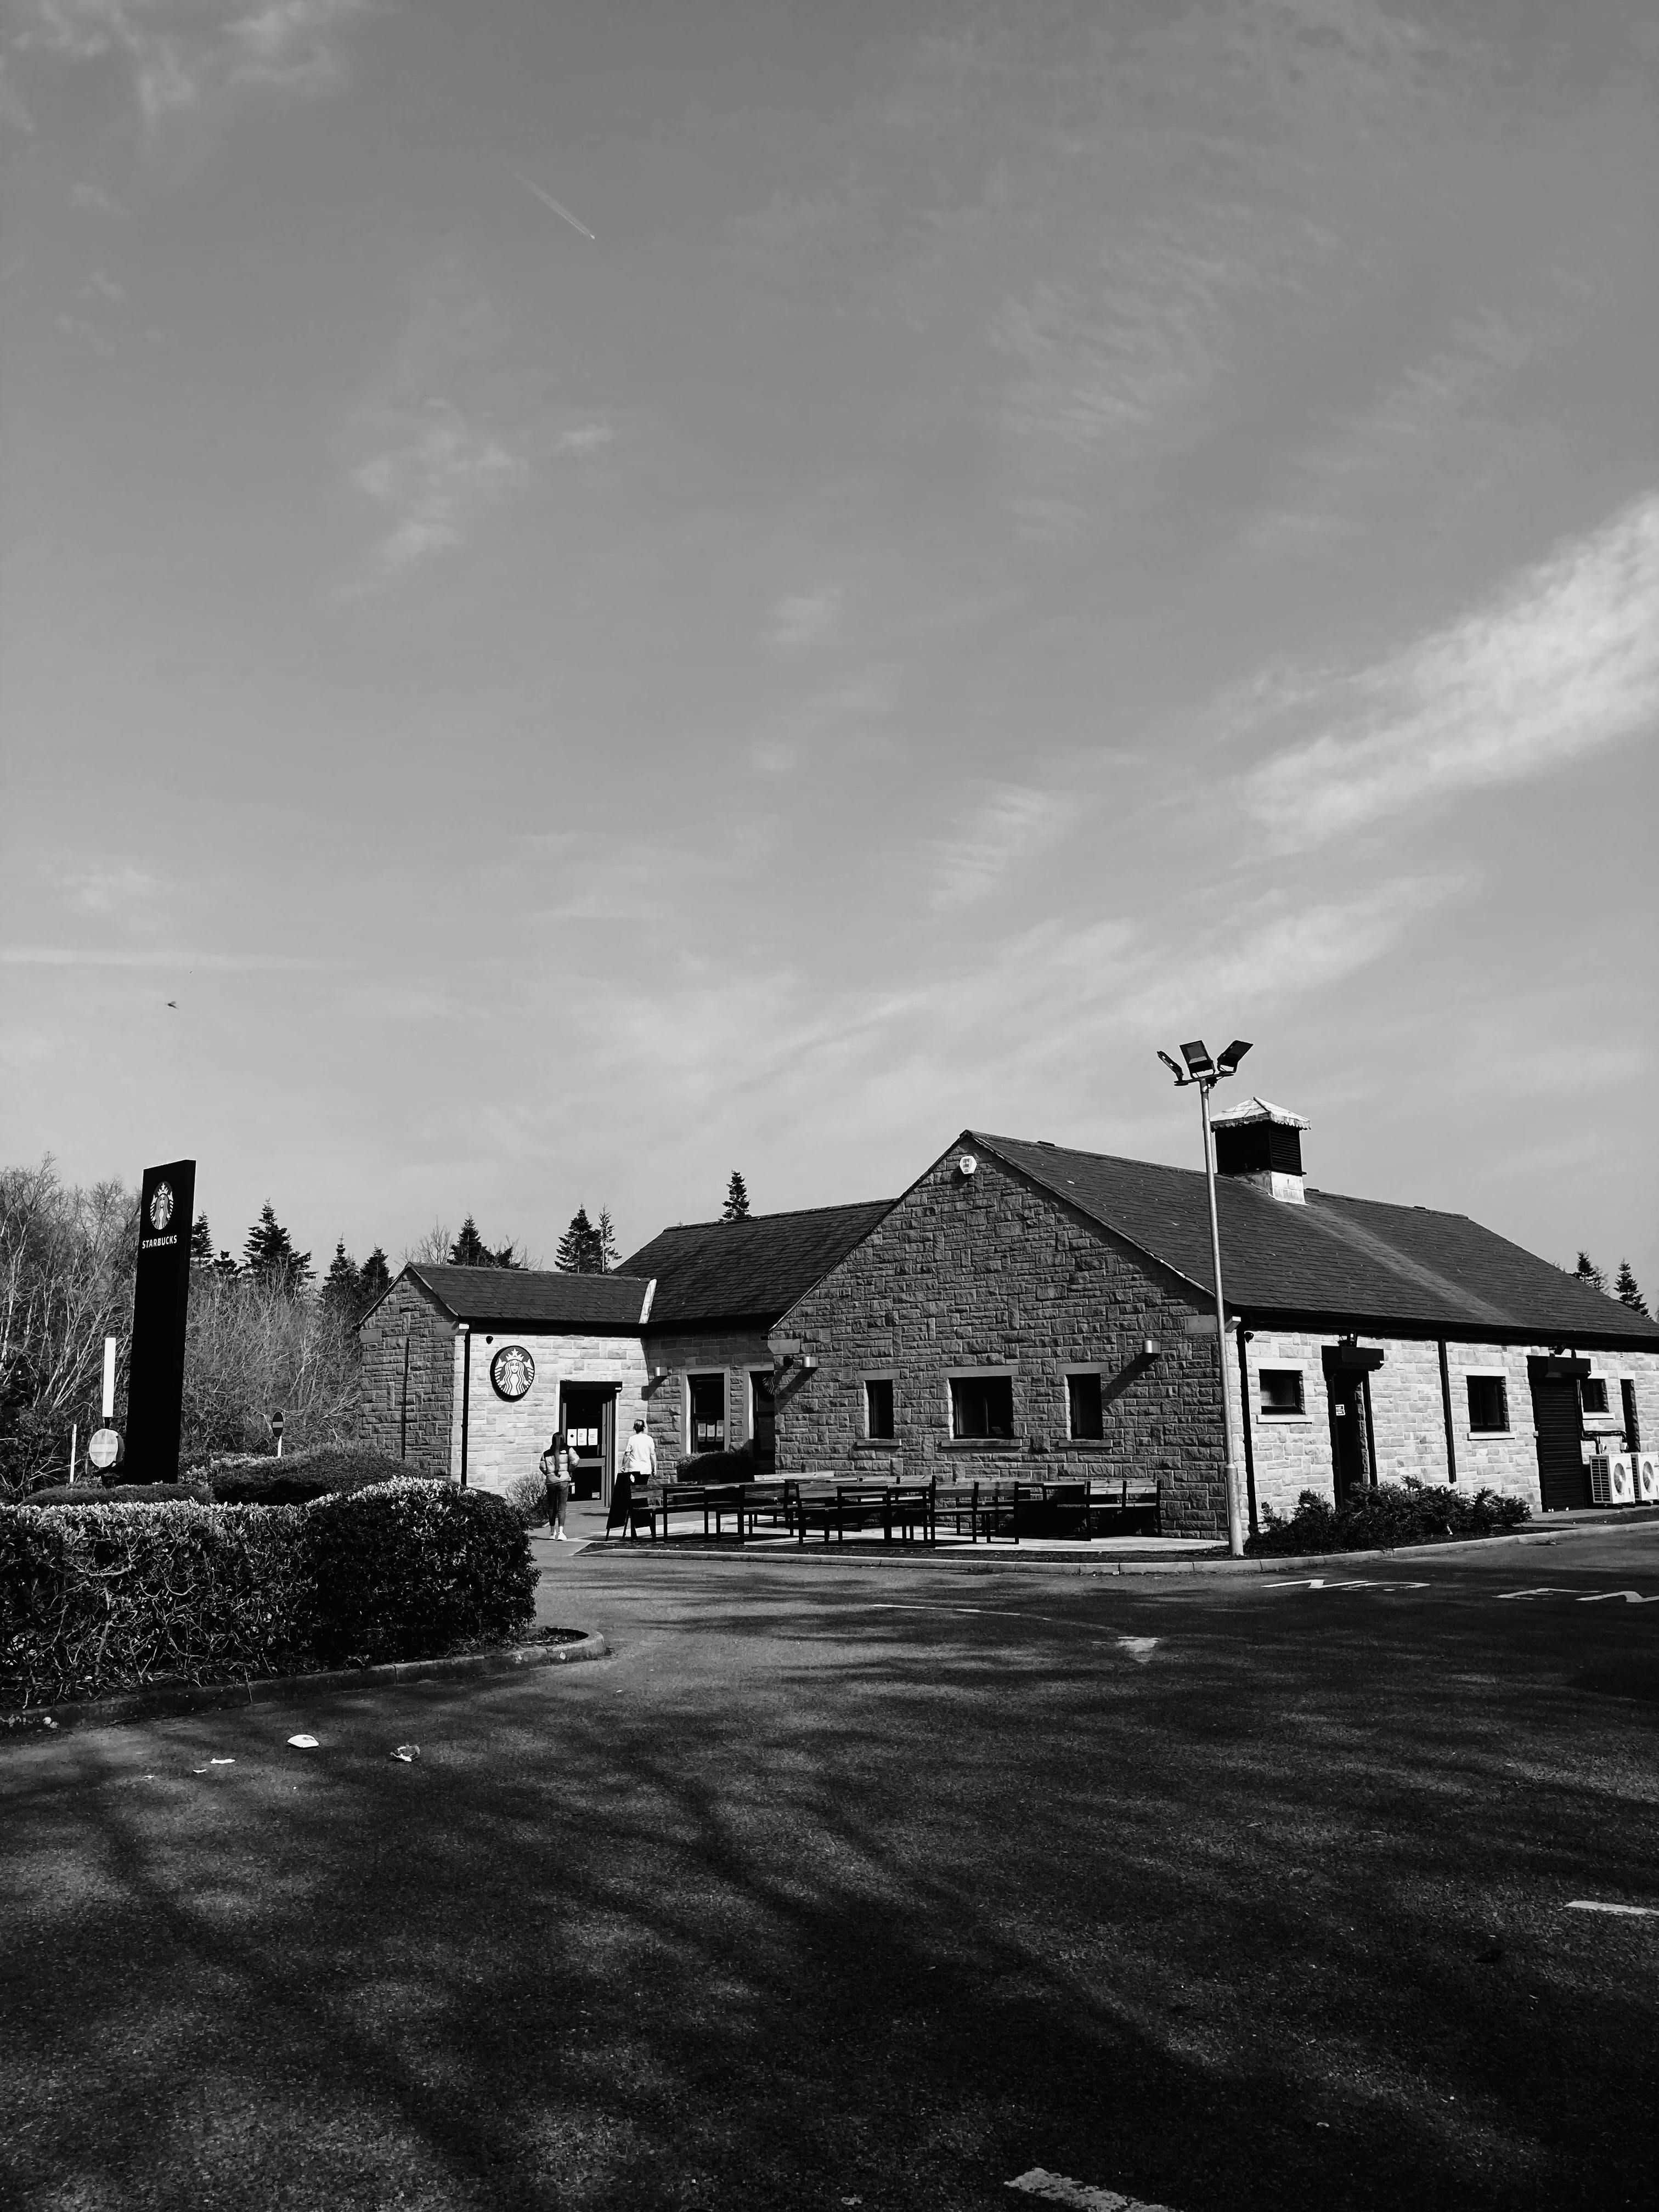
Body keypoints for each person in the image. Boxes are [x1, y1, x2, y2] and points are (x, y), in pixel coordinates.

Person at [538, 1428, 572, 1541]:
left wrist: (549, 1474)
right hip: (563, 1481)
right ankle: (561, 1533)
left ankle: (552, 1532)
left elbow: (542, 1467)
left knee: (552, 1507)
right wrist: (569, 1471)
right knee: (562, 1507)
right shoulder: (568, 1450)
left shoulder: (546, 1453)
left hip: (551, 1482)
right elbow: (576, 1460)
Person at [619, 1417, 658, 1489]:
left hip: (635, 1469)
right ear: (643, 1428)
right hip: (646, 1469)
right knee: (644, 1488)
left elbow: (627, 1454)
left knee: (635, 1490)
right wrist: (655, 1468)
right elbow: (652, 1454)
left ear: (634, 1428)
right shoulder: (649, 1439)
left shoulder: (632, 1439)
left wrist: (623, 1466)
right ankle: (643, 1500)